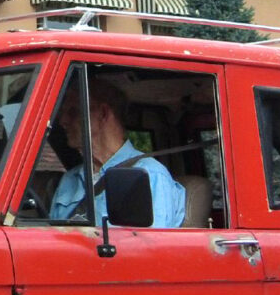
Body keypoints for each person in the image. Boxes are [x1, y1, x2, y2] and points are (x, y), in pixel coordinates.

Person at [48, 80, 186, 228]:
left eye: (73, 112)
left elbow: (151, 247)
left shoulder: (150, 174)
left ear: (103, 114)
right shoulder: (70, 179)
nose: (63, 121)